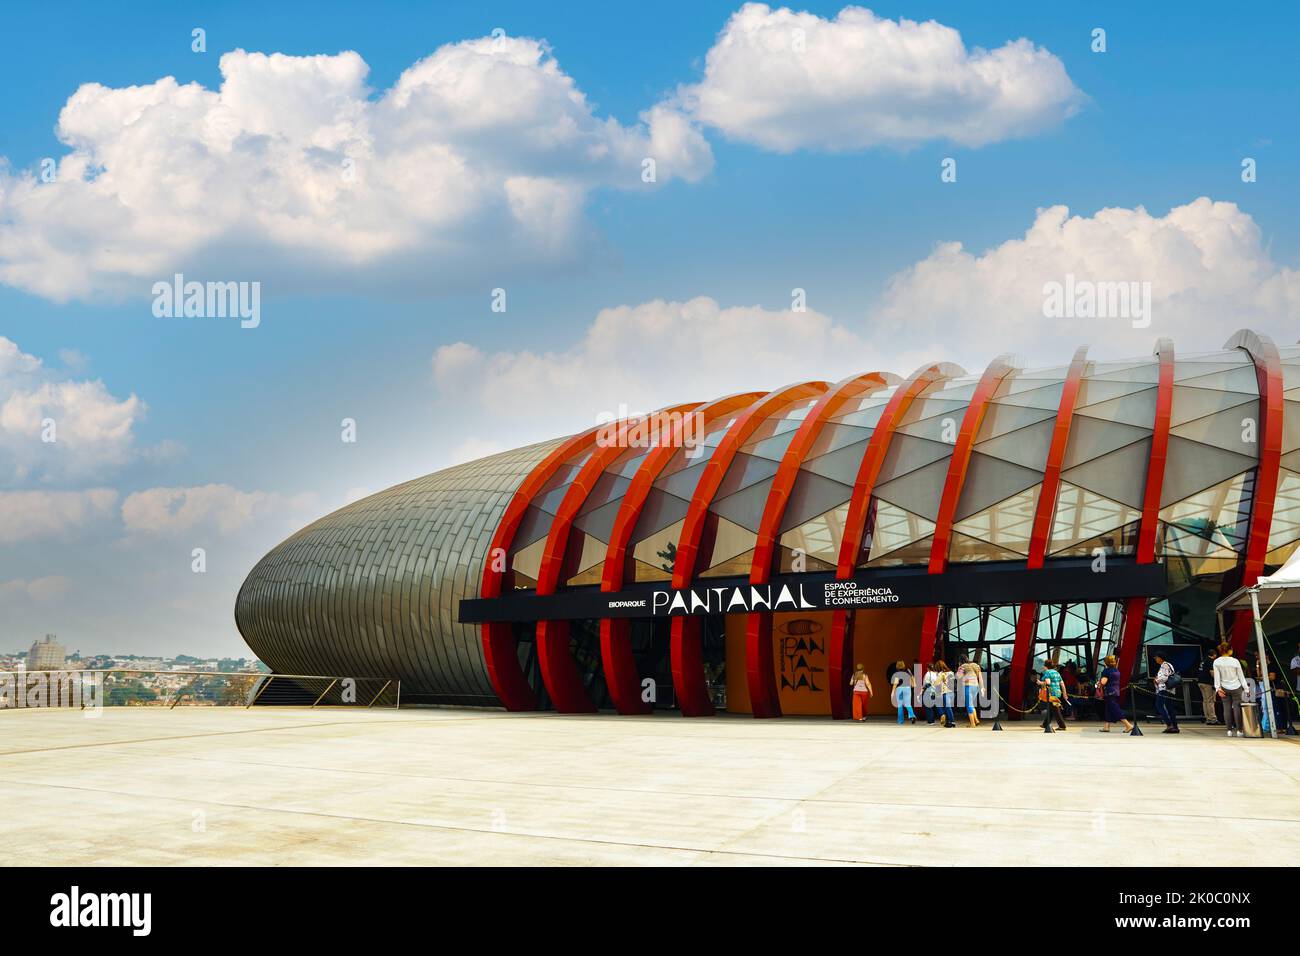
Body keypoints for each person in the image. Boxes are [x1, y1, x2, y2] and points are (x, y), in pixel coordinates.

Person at [1213, 642, 1248, 738]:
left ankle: (1229, 730)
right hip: (1236, 687)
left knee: (1226, 709)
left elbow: (1217, 676)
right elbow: (1241, 676)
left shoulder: (1216, 662)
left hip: (1224, 687)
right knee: (1237, 708)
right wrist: (1246, 688)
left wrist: (1218, 688)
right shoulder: (1235, 661)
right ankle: (1239, 730)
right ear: (1229, 651)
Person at [1096, 655, 1133, 733]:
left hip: (1109, 692)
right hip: (1116, 691)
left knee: (1115, 709)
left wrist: (1099, 682)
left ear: (1106, 663)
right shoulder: (1116, 670)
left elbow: (1103, 682)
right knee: (1108, 709)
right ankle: (1106, 727)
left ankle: (1128, 725)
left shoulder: (1106, 671)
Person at [1152, 652, 1180, 734]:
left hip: (1164, 689)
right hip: (1169, 689)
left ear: (1160, 658)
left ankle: (1169, 724)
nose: (1155, 659)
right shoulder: (1166, 665)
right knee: (1170, 707)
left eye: (1156, 657)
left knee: (1159, 705)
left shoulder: (1164, 665)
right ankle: (1175, 726)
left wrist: (1156, 680)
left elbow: (1164, 677)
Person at [1038, 659, 1068, 731]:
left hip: (1051, 693)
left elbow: (1048, 683)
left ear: (1046, 666)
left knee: (1055, 709)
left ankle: (1062, 726)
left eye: (1044, 666)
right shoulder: (1057, 673)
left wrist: (1040, 683)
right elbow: (1062, 683)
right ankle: (1045, 724)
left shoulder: (1047, 672)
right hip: (1057, 693)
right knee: (1051, 708)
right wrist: (1064, 693)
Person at [1196, 650, 1220, 725]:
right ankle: (1213, 719)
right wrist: (1218, 680)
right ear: (1214, 655)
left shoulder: (1203, 660)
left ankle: (1208, 718)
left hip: (1200, 682)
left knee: (1205, 701)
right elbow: (1212, 672)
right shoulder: (1210, 661)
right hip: (1207, 683)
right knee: (1210, 701)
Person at [957, 656, 982, 727]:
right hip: (976, 686)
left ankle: (972, 724)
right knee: (971, 704)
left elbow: (958, 676)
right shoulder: (974, 665)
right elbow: (979, 677)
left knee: (969, 705)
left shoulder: (963, 666)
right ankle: (976, 720)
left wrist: (959, 668)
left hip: (968, 686)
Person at [890, 660, 916, 724]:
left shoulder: (897, 673)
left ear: (897, 666)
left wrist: (892, 692)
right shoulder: (908, 671)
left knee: (900, 705)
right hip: (907, 688)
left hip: (900, 689)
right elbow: (912, 677)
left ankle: (900, 721)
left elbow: (895, 683)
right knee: (908, 704)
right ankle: (912, 716)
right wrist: (913, 684)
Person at [935, 661, 956, 728]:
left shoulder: (941, 673)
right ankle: (949, 721)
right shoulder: (951, 672)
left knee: (947, 707)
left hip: (946, 692)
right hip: (952, 692)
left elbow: (936, 683)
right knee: (948, 707)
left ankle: (951, 721)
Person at [921, 660, 940, 724]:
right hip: (935, 691)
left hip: (929, 691)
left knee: (928, 706)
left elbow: (926, 683)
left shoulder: (928, 674)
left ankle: (930, 720)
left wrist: (922, 690)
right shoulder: (936, 674)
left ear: (928, 668)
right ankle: (940, 716)